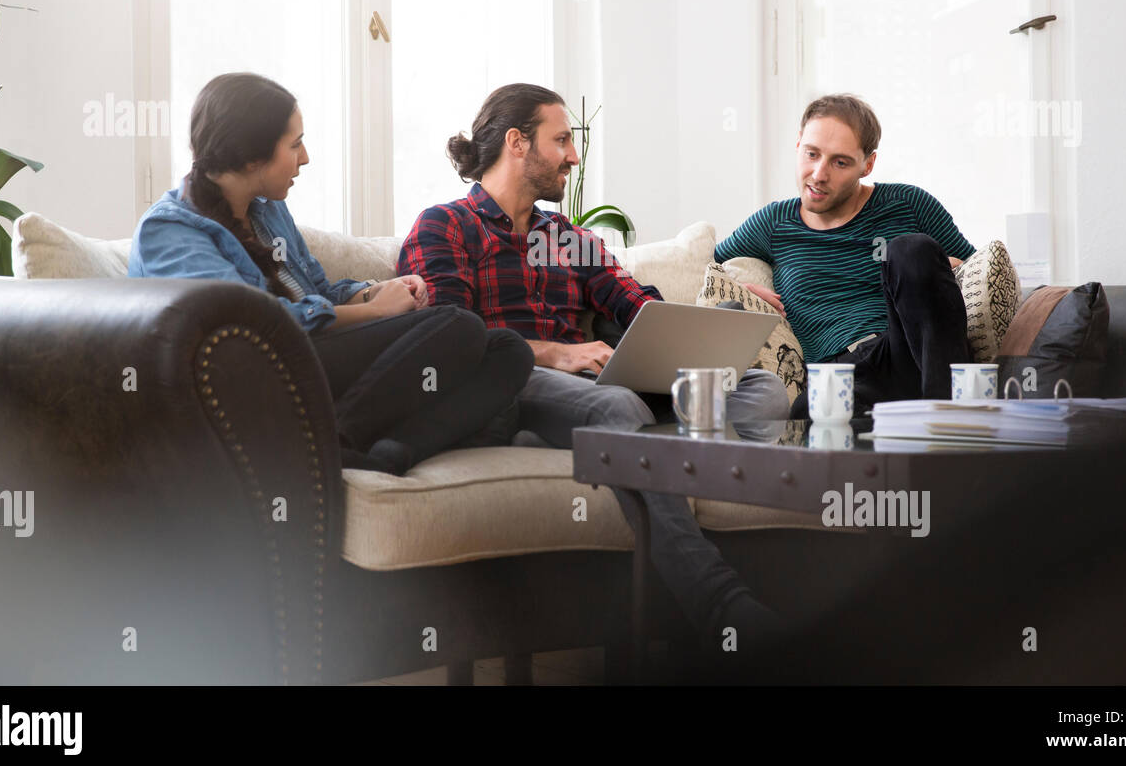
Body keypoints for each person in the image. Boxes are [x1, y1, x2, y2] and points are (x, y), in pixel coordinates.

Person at [396, 82, 792, 659]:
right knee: (618, 407)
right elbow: (451, 339)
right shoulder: (445, 227)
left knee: (762, 391)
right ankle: (719, 605)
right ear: (517, 142)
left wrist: (715, 311)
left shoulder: (570, 240)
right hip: (509, 384)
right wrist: (557, 353)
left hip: (588, 386)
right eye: (562, 141)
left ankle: (592, 446)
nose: (574, 157)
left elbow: (639, 307)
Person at [129, 72, 533, 475]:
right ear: (252, 156)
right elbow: (248, 325)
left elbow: (318, 290)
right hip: (260, 374)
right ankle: (333, 437)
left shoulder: (267, 209)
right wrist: (375, 314)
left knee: (507, 350)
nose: (305, 157)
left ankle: (389, 452)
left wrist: (373, 293)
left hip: (312, 356)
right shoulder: (171, 230)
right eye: (295, 144)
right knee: (458, 325)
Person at [715, 93, 976, 418]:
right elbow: (708, 267)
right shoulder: (774, 223)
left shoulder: (908, 203)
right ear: (798, 146)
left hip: (909, 353)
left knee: (909, 250)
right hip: (839, 374)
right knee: (807, 410)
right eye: (812, 154)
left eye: (840, 162)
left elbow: (973, 268)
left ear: (867, 164)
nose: (819, 174)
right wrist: (739, 289)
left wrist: (938, 265)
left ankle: (947, 419)